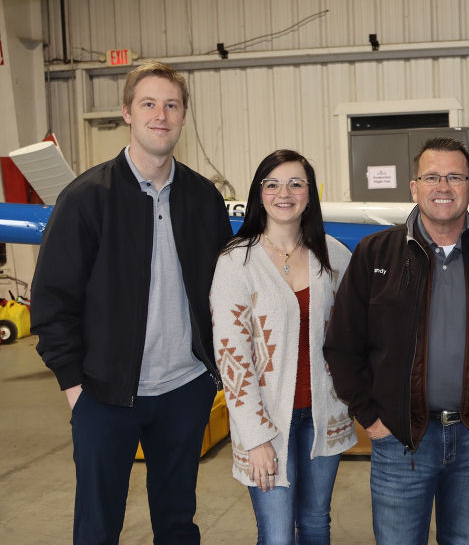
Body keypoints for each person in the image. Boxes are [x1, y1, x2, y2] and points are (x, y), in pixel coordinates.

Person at [31, 61, 234, 544]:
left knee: (177, 523)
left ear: (183, 117)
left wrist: (212, 376)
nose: (160, 115)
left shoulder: (204, 199)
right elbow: (52, 299)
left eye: (172, 105)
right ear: (127, 112)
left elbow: (225, 290)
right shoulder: (85, 198)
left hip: (184, 392)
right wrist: (74, 387)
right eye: (149, 104)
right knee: (98, 528)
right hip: (104, 396)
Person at [323, 137, 469, 544]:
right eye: (431, 177)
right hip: (401, 439)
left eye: (454, 176)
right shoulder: (377, 254)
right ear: (414, 187)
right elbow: (341, 343)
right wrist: (371, 419)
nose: (442, 186)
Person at [211, 149, 357, 545]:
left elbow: (354, 337)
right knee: (277, 536)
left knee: (315, 525)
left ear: (310, 193)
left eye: (296, 183)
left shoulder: (335, 257)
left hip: (324, 418)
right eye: (272, 184)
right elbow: (232, 357)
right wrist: (256, 438)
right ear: (260, 194)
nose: (284, 193)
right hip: (267, 422)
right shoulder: (236, 262)